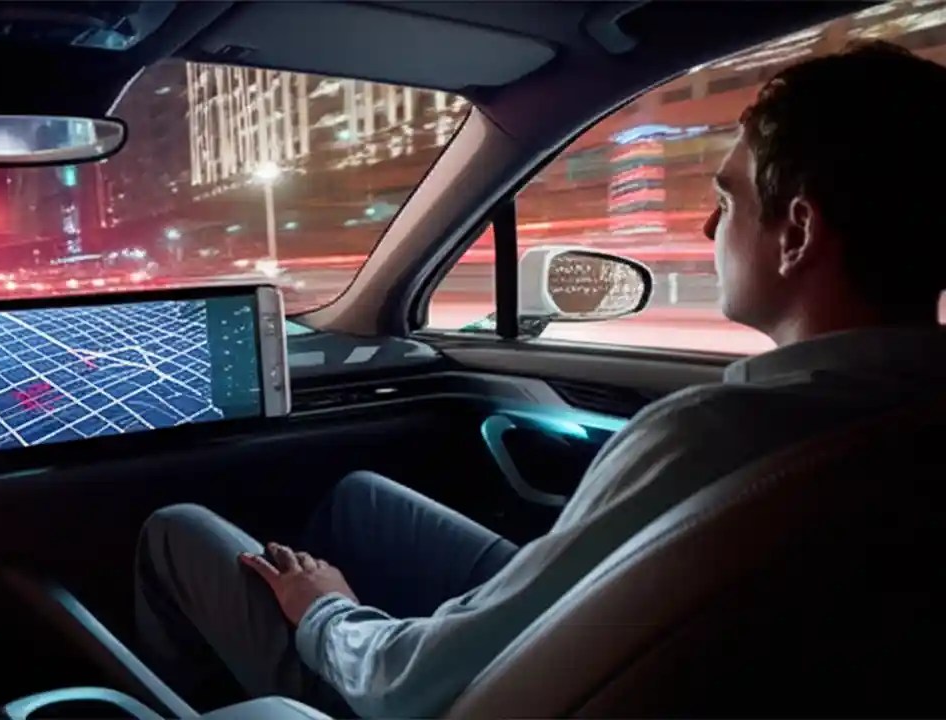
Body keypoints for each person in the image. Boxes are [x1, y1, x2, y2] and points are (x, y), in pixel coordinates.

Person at [135, 41, 946, 718]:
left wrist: (323, 612)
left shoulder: (713, 433)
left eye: (726, 198)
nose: (706, 225)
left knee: (177, 528)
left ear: (798, 231)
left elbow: (408, 684)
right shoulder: (906, 415)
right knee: (361, 501)